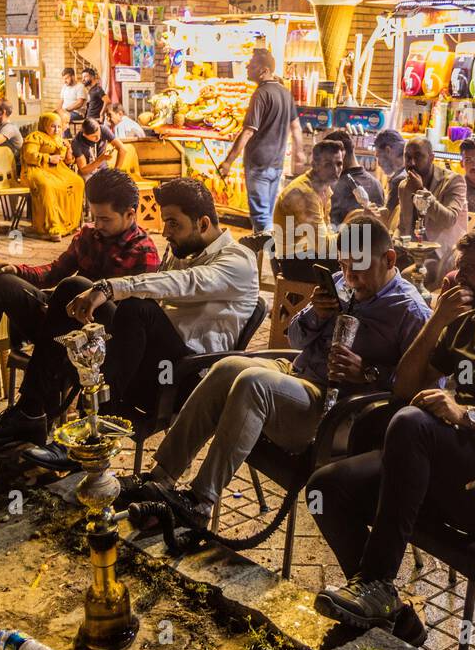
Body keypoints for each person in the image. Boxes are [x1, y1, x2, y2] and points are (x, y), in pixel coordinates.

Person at [309, 225, 475, 641]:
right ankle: (390, 613)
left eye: (470, 269)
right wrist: (437, 319)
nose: (458, 277)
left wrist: (464, 413)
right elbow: (404, 386)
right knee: (326, 487)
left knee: (412, 422)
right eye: (458, 267)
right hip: (437, 469)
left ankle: (376, 581)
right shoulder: (463, 324)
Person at [121, 214, 431, 524]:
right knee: (226, 367)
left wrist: (367, 372)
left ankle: (199, 502)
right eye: (344, 266)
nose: (350, 278)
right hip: (297, 373)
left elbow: (422, 388)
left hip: (336, 407)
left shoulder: (410, 311)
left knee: (253, 382)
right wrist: (317, 316)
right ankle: (160, 478)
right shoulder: (340, 284)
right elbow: (294, 337)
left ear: (389, 259)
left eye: (358, 268)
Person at [0, 178, 258, 456]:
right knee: (73, 288)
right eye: (165, 221)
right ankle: (31, 412)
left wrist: (108, 288)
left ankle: (91, 434)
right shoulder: (185, 249)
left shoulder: (238, 261)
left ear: (204, 223)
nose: (166, 232)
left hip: (182, 377)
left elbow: (185, 282)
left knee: (137, 309)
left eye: (173, 223)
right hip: (145, 359)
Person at [0, 168, 161, 401]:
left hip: (99, 341)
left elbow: (131, 322)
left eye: (105, 219)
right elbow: (54, 271)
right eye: (95, 217)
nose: (98, 225)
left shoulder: (144, 252)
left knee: (77, 284)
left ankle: (34, 406)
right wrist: (17, 269)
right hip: (57, 321)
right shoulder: (88, 235)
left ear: (130, 214)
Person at [219, 47, 304, 234]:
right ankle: (265, 258)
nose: (248, 68)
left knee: (261, 218)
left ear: (264, 70)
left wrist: (228, 162)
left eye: (252, 65)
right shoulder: (285, 93)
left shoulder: (260, 95)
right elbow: (296, 128)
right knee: (267, 214)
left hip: (259, 164)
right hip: (276, 164)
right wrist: (299, 154)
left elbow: (248, 132)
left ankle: (271, 257)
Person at [397, 136, 468, 288]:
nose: (412, 163)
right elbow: (402, 226)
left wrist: (420, 191)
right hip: (412, 251)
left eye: (418, 156)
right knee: (374, 263)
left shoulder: (453, 181)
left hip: (442, 255)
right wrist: (391, 246)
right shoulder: (404, 186)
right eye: (407, 157)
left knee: (405, 277)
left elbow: (449, 219)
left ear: (431, 158)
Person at [20, 111, 85, 241]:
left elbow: (67, 161)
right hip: (36, 169)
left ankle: (70, 224)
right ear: (45, 125)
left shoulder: (59, 139)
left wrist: (68, 151)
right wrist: (48, 158)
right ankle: (50, 227)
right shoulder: (35, 136)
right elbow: (28, 155)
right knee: (47, 186)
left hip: (57, 170)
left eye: (59, 126)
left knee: (77, 182)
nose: (56, 129)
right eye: (53, 126)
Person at [274, 138, 341, 257]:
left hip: (308, 255)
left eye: (339, 164)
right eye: (328, 165)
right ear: (315, 165)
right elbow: (323, 246)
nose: (335, 170)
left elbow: (326, 233)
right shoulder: (304, 193)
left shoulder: (325, 189)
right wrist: (352, 234)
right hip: (292, 261)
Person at [324, 128, 383, 226]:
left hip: (342, 240)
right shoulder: (377, 184)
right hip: (371, 240)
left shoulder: (332, 188)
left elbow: (328, 229)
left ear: (340, 154)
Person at [373, 128, 407, 227]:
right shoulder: (408, 172)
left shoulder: (399, 180)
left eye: (378, 156)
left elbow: (385, 219)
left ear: (388, 150)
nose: (378, 164)